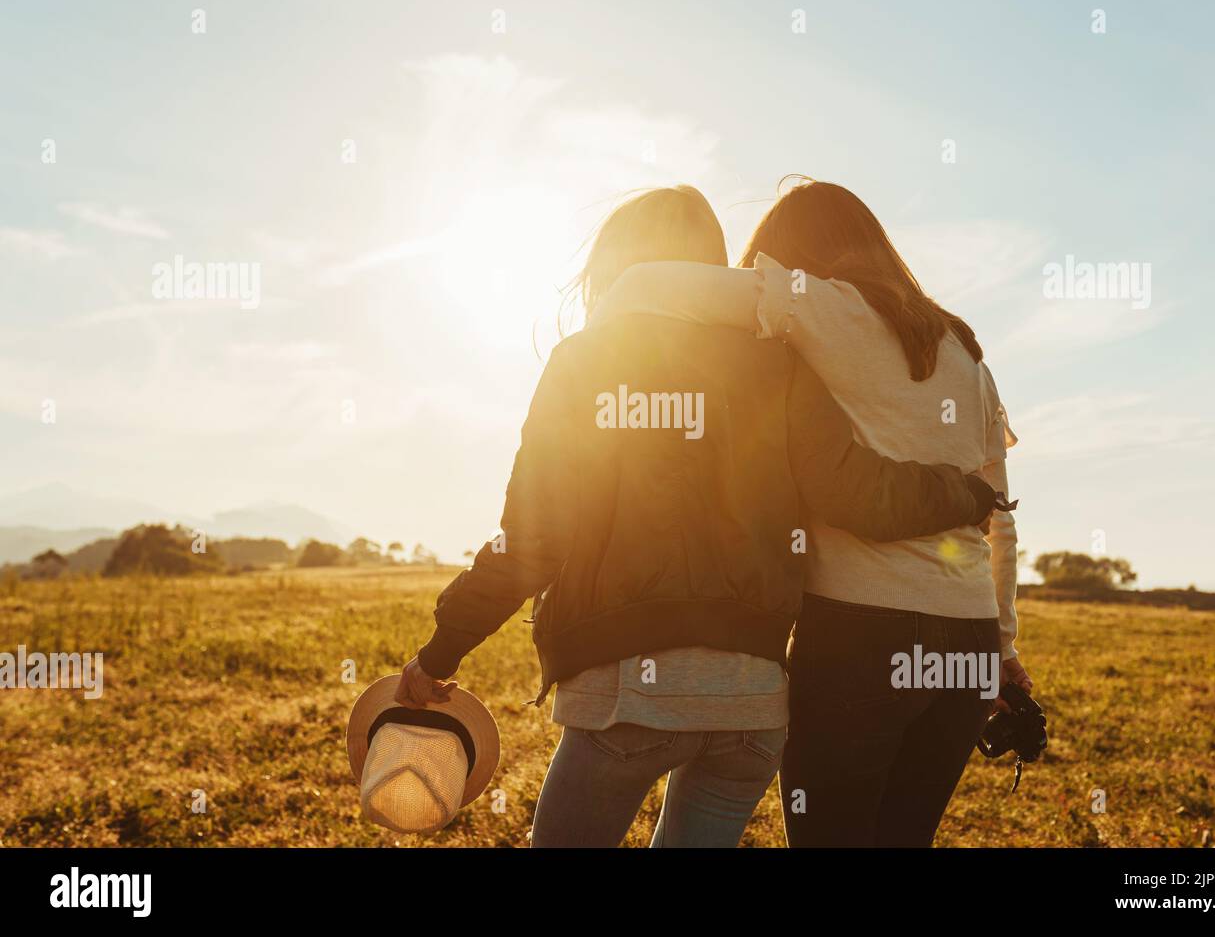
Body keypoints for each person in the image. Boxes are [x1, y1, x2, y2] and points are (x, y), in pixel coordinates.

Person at [397, 185, 996, 847]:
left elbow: (532, 538)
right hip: (752, 708)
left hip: (630, 696)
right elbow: (847, 486)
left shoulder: (587, 363)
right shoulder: (784, 364)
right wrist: (965, 497)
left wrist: (442, 649)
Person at [595, 178, 1028, 846]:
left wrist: (600, 342)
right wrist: (999, 646)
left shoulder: (822, 306)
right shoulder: (967, 353)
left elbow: (649, 285)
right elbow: (999, 519)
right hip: (966, 640)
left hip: (862, 634)